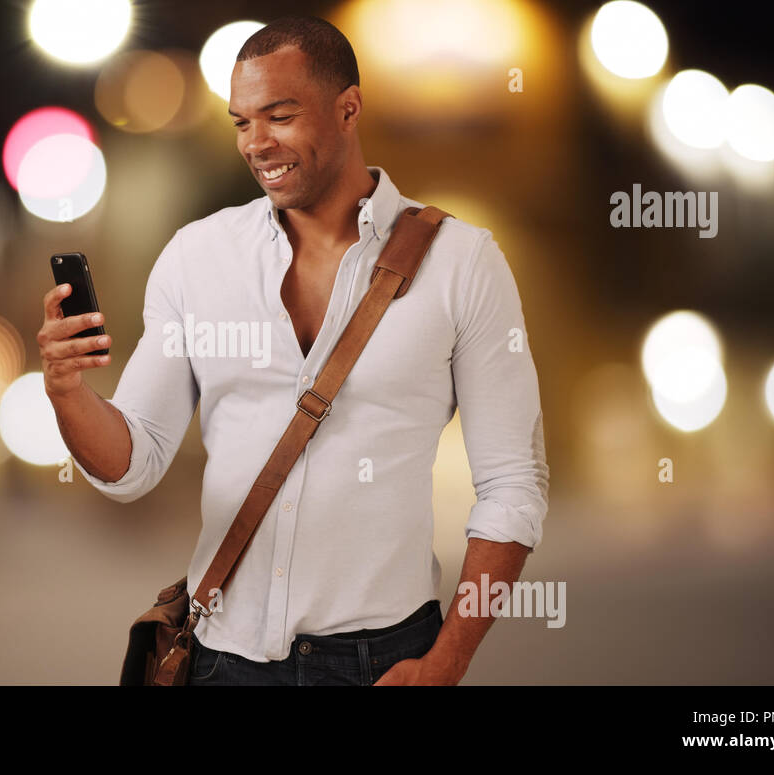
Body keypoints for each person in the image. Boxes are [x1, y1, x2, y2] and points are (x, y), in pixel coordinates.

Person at [37, 15, 549, 686]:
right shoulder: (197, 256)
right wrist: (68, 393)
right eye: (241, 122)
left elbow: (513, 484)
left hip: (383, 661)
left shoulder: (463, 263)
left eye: (279, 116)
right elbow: (132, 461)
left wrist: (447, 661)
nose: (257, 144)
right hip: (220, 660)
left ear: (348, 108)